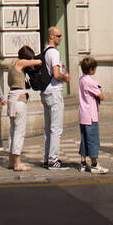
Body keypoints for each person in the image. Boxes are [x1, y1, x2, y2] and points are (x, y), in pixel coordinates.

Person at [6, 45, 40, 172]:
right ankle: (18, 163)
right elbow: (37, 61)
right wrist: (37, 59)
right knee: (19, 132)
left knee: (13, 131)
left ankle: (11, 161)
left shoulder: (12, 64)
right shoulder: (20, 63)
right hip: (19, 99)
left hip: (12, 98)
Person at [41, 25, 70, 169]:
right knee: (56, 128)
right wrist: (66, 78)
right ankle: (53, 160)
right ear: (51, 36)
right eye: (58, 36)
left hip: (46, 92)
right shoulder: (54, 53)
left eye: (60, 36)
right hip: (54, 91)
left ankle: (47, 158)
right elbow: (57, 74)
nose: (60, 39)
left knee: (48, 128)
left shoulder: (45, 51)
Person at [78, 56, 108, 173]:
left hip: (83, 115)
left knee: (84, 139)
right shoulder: (90, 81)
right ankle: (94, 164)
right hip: (91, 116)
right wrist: (100, 90)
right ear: (91, 69)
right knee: (93, 140)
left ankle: (83, 162)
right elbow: (101, 96)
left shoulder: (81, 79)